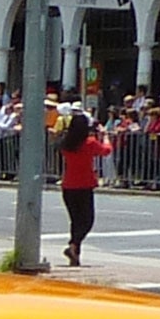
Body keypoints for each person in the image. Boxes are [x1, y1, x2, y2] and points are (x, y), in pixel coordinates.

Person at [57, 111, 106, 265]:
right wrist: (105, 137)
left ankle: (75, 254)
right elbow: (106, 150)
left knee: (75, 221)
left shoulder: (66, 144)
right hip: (84, 185)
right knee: (87, 220)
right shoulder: (89, 142)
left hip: (69, 185)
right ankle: (74, 244)